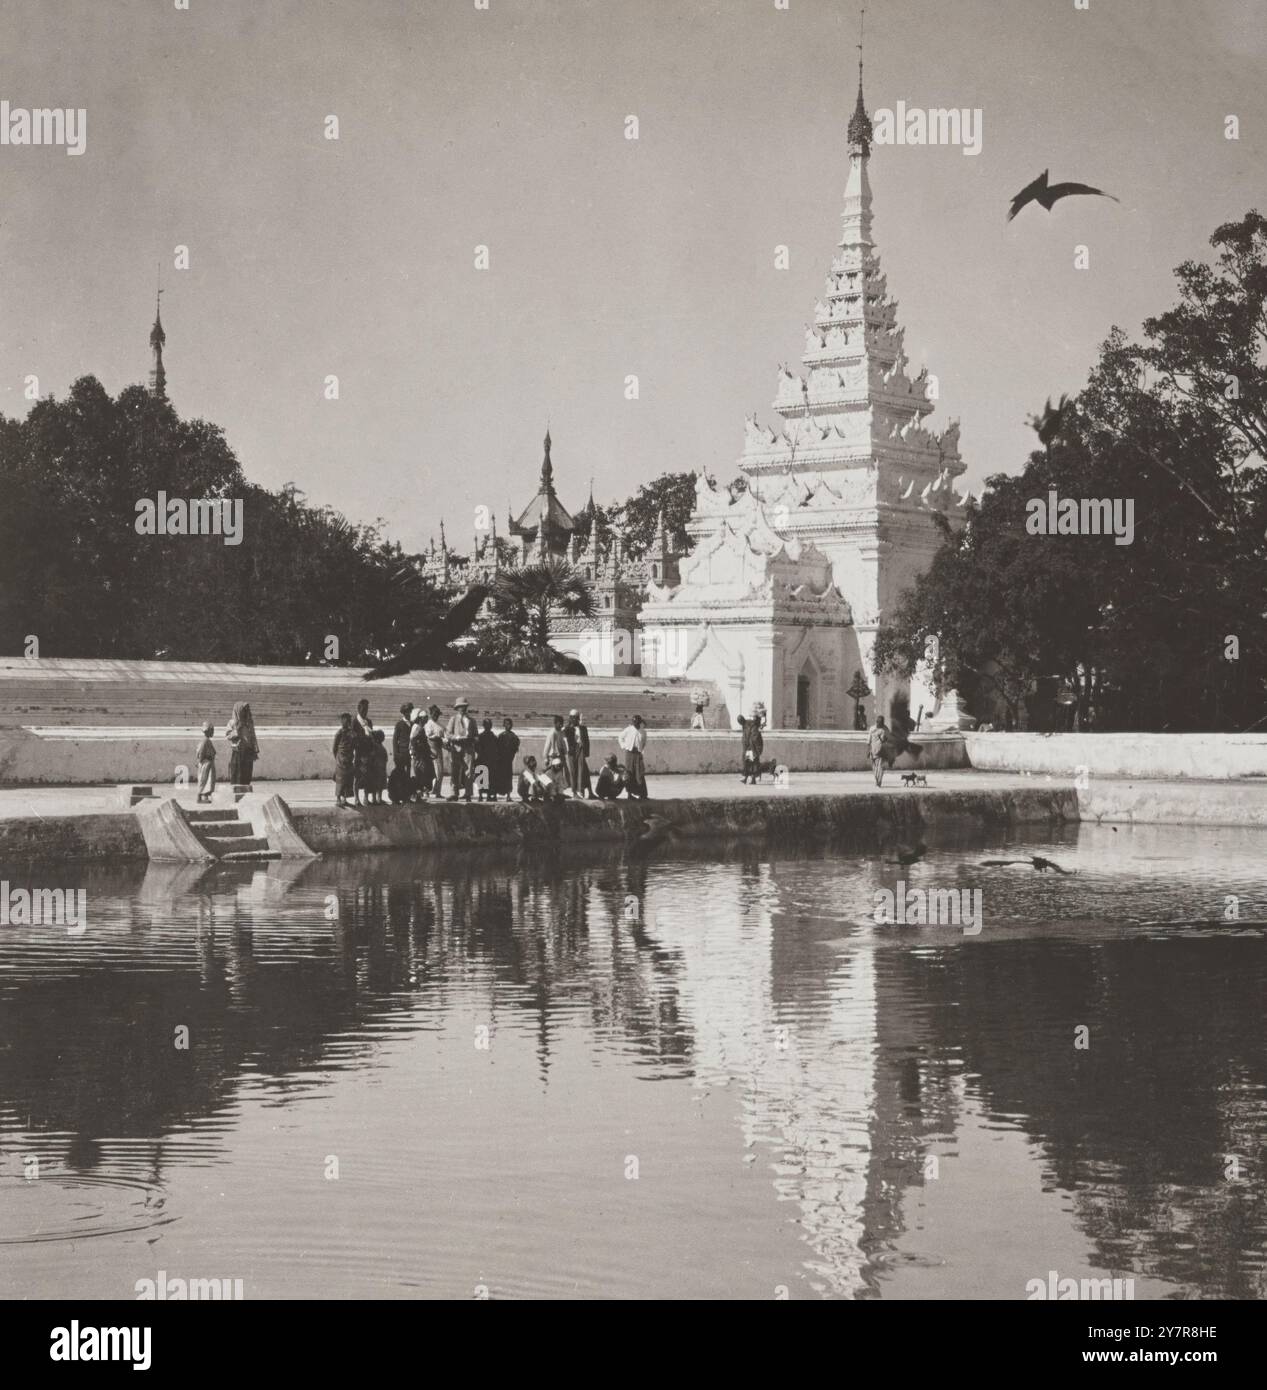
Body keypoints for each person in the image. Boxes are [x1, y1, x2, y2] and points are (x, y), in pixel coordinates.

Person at [444, 698, 477, 801]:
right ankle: (454, 793)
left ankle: (468, 793)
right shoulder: (453, 719)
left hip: (468, 748)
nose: (463, 709)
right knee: (455, 770)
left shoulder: (472, 721)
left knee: (469, 771)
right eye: (460, 707)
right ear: (457, 708)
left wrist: (473, 739)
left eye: (464, 707)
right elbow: (448, 734)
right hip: (456, 748)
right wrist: (457, 737)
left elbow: (476, 735)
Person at [226, 701, 259, 787]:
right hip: (238, 751)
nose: (246, 712)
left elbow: (253, 736)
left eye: (247, 710)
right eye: (244, 710)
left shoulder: (249, 723)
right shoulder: (232, 723)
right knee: (237, 772)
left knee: (247, 773)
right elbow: (228, 736)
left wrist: (255, 749)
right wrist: (237, 731)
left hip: (248, 751)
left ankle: (245, 790)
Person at [619, 714, 648, 799]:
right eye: (634, 722)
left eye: (637, 722)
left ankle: (642, 794)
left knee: (639, 773)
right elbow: (620, 737)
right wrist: (624, 746)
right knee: (629, 772)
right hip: (629, 753)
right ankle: (629, 794)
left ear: (640, 722)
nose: (635, 724)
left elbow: (644, 742)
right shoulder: (628, 730)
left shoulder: (643, 732)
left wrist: (640, 750)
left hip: (638, 754)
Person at [352, 698, 375, 805]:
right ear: (359, 708)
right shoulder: (355, 722)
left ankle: (366, 798)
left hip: (368, 753)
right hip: (358, 754)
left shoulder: (369, 722)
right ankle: (356, 798)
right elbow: (353, 738)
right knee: (357, 777)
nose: (365, 711)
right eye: (363, 709)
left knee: (368, 777)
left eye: (367, 709)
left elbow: (372, 738)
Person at [565, 709, 591, 798]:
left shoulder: (583, 728)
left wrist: (586, 752)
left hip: (581, 749)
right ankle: (574, 791)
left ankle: (580, 790)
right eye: (572, 718)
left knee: (581, 770)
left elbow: (586, 740)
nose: (574, 720)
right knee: (573, 771)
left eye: (576, 718)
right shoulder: (567, 729)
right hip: (571, 751)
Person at [410, 706, 434, 798]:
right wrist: (415, 753)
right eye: (425, 718)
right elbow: (413, 740)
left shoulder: (419, 727)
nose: (427, 719)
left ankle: (418, 794)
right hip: (419, 756)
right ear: (421, 719)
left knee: (421, 776)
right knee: (420, 775)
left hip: (420, 756)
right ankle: (418, 794)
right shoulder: (419, 728)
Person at [333, 712, 355, 808]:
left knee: (348, 779)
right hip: (341, 759)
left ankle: (344, 799)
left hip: (349, 758)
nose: (347, 723)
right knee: (340, 780)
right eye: (345, 721)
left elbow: (354, 744)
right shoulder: (339, 733)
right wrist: (338, 758)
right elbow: (334, 748)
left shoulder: (352, 733)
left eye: (348, 721)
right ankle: (338, 799)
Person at [494, 717, 519, 801]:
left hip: (508, 761)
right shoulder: (501, 736)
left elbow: (515, 748)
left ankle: (508, 795)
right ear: (504, 725)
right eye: (506, 724)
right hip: (501, 761)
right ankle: (496, 795)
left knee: (508, 778)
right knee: (500, 777)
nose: (508, 726)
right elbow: (497, 748)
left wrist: (510, 757)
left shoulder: (514, 736)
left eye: (509, 724)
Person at [424, 703, 446, 798]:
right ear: (431, 714)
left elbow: (445, 733)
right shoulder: (428, 724)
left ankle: (437, 791)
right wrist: (438, 737)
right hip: (431, 748)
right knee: (432, 771)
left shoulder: (440, 724)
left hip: (439, 748)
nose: (436, 716)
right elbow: (429, 735)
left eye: (437, 714)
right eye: (435, 714)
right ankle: (428, 790)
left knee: (440, 771)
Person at [392, 702, 414, 794]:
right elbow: (394, 740)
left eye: (410, 711)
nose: (409, 713)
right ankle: (399, 793)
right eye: (407, 712)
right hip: (401, 753)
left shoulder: (413, 724)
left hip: (410, 753)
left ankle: (407, 793)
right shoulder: (399, 724)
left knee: (408, 773)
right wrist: (396, 754)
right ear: (404, 713)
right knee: (400, 774)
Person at [475, 717, 499, 801]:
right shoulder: (494, 737)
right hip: (488, 760)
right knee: (488, 778)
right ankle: (486, 795)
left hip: (483, 759)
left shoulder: (480, 737)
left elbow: (476, 748)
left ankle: (482, 795)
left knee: (483, 778)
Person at [543, 714, 569, 790]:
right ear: (555, 723)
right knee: (552, 773)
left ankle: (559, 789)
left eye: (562, 723)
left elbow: (563, 743)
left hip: (560, 755)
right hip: (553, 756)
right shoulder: (552, 733)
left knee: (560, 774)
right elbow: (549, 746)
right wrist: (546, 758)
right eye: (559, 723)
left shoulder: (561, 732)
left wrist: (565, 752)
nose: (561, 725)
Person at [195, 721, 217, 803]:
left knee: (208, 780)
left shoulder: (207, 741)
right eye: (212, 730)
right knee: (204, 780)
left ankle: (204, 796)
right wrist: (200, 761)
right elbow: (201, 752)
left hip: (208, 763)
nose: (213, 732)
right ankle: (201, 796)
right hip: (206, 763)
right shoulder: (205, 741)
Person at [739, 714, 764, 784]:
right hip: (749, 748)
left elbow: (755, 739)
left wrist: (756, 750)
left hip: (752, 749)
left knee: (752, 763)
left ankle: (751, 778)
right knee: (748, 763)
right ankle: (747, 778)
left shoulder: (753, 728)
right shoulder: (749, 726)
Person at [868, 714, 891, 787]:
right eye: (877, 722)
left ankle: (879, 782)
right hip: (873, 750)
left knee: (880, 767)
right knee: (874, 768)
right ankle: (877, 780)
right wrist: (868, 750)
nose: (878, 724)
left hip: (881, 751)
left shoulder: (885, 729)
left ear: (882, 723)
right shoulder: (872, 728)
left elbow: (888, 740)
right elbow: (869, 740)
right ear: (876, 722)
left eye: (880, 723)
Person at [369, 728, 389, 805]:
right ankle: (376, 799)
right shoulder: (376, 747)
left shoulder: (378, 746)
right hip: (377, 768)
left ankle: (378, 799)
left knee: (379, 785)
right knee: (376, 785)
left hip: (380, 768)